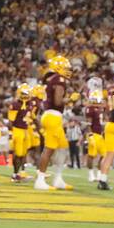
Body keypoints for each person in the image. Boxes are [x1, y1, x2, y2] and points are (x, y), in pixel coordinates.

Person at [33, 55, 72, 191]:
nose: (68, 70)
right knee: (49, 148)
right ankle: (40, 179)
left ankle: (58, 178)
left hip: (51, 115)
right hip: (52, 116)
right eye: (65, 68)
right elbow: (57, 101)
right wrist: (70, 99)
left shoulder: (52, 79)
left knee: (62, 146)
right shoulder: (59, 79)